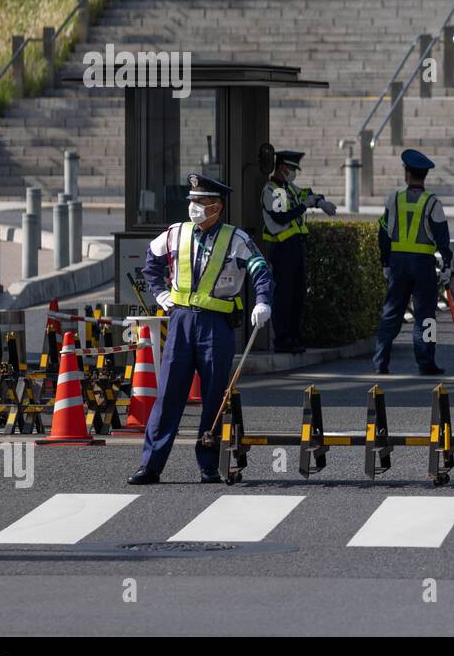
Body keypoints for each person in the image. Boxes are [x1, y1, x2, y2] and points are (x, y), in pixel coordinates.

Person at [128, 174, 273, 484]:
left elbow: (260, 270)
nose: (193, 207)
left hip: (216, 326)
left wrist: (263, 301)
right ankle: (150, 465)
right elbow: (150, 262)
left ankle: (210, 465)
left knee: (214, 398)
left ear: (216, 207)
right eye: (192, 201)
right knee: (168, 395)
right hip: (181, 321)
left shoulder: (236, 239)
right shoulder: (175, 233)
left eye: (200, 202)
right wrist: (162, 295)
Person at [373, 149, 453, 375]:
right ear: (424, 176)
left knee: (391, 313)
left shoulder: (393, 199)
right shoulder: (432, 202)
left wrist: (385, 263)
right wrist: (446, 264)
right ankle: (426, 362)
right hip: (422, 264)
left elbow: (383, 233)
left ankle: (380, 363)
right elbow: (442, 238)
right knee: (426, 316)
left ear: (407, 174)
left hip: (398, 262)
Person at [261, 150, 336, 353]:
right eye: (292, 168)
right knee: (284, 295)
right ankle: (283, 340)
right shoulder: (272, 189)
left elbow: (307, 194)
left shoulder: (288, 188)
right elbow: (281, 217)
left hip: (295, 247)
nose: (294, 172)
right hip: (282, 247)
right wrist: (305, 205)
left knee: (297, 294)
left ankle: (294, 337)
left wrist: (320, 202)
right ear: (283, 167)